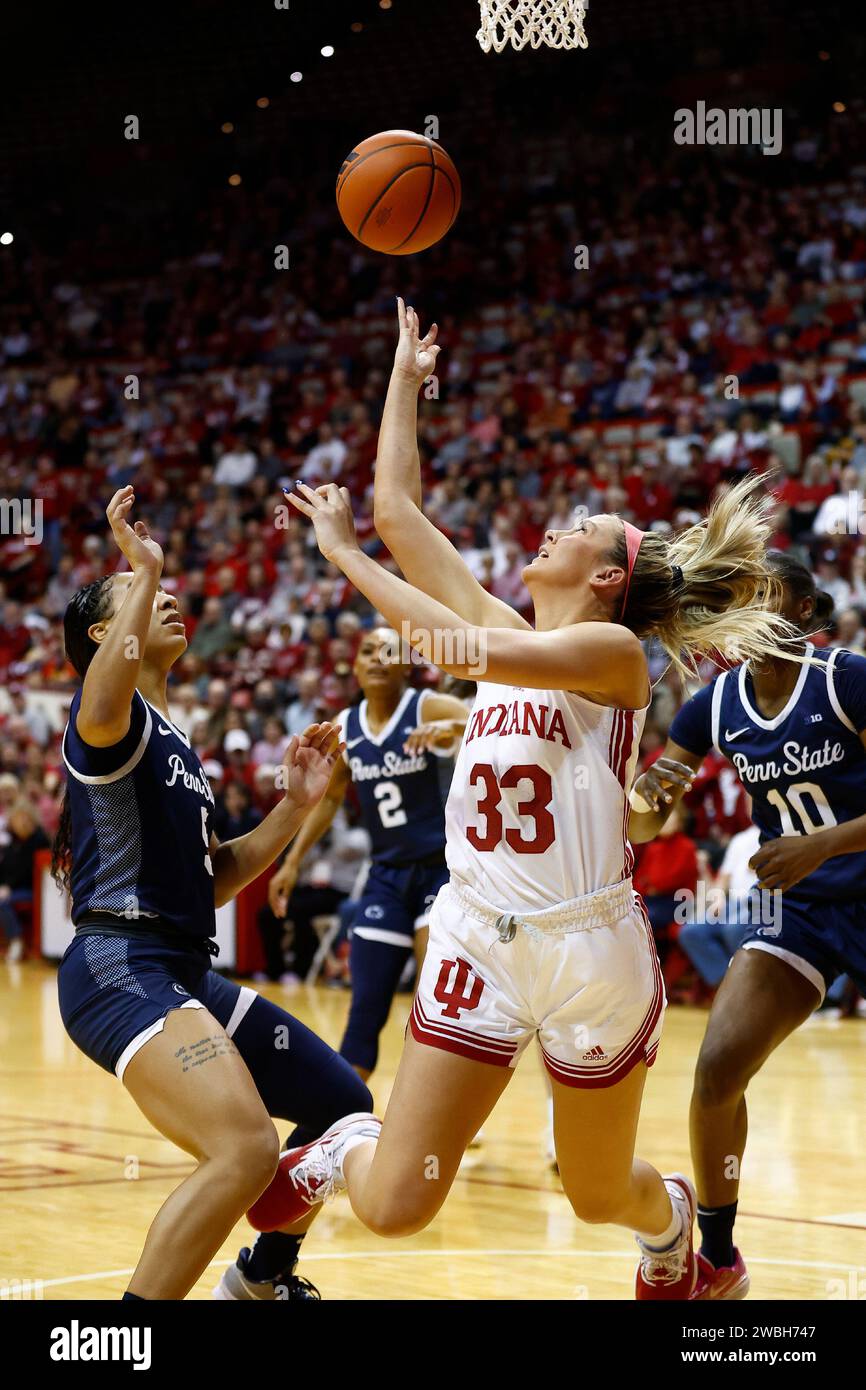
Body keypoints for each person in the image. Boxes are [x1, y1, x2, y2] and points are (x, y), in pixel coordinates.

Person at [246, 302, 802, 1300]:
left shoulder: (610, 655)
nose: (553, 525)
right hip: (474, 938)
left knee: (594, 1193)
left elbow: (455, 645)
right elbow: (396, 513)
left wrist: (337, 561)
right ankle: (337, 1153)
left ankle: (671, 1226)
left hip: (588, 951)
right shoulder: (510, 635)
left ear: (603, 575)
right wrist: (404, 378)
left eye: (579, 528)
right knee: (396, 1207)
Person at [54, 486, 372, 1301]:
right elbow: (103, 688)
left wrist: (295, 810)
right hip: (120, 963)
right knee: (242, 1149)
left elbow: (217, 874)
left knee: (342, 1103)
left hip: (182, 965)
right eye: (138, 595)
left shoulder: (175, 737)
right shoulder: (106, 717)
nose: (165, 598)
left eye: (163, 588)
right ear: (103, 636)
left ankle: (261, 1278)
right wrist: (147, 560)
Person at [628, 551, 866, 1299]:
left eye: (768, 594)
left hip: (846, 876)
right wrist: (626, 788)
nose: (751, 608)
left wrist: (821, 846)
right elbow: (650, 810)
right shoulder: (713, 705)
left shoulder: (847, 680)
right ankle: (721, 1259)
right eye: (739, 598)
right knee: (718, 1067)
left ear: (802, 610)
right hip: (799, 910)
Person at [218, 625, 467, 1297]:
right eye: (369, 649)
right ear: (355, 666)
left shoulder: (427, 707)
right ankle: (321, 1161)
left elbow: (484, 716)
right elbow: (328, 798)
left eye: (392, 648)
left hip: (440, 874)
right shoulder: (347, 728)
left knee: (437, 1003)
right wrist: (293, 863)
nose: (381, 656)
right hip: (386, 878)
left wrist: (453, 733)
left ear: (407, 663)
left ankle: (434, 1122)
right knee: (357, 1041)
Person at [0, 799, 49, 961]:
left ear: (32, 819)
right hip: (13, 889)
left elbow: (28, 871)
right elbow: (4, 869)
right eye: (18, 818)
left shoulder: (40, 840)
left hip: (34, 891)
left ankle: (16, 940)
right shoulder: (11, 842)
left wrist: (9, 888)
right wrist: (3, 885)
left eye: (26, 818)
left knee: (2, 902)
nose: (22, 822)